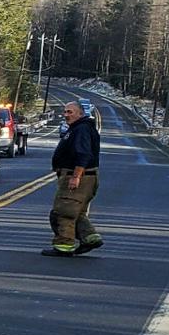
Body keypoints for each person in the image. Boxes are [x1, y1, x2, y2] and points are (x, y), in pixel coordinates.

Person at [43, 102, 103, 257]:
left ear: (80, 114)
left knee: (63, 212)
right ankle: (90, 238)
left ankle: (64, 246)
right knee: (77, 212)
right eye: (65, 112)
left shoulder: (81, 129)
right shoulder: (79, 128)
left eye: (70, 112)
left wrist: (76, 176)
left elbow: (83, 154)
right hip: (87, 177)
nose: (66, 114)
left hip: (80, 177)